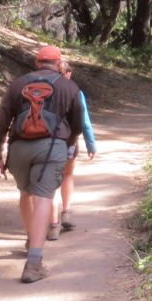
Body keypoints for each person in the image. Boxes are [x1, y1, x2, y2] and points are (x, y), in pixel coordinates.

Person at [0, 45, 84, 283]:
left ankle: (32, 237)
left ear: (37, 62)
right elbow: (77, 123)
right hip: (51, 148)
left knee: (25, 193)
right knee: (44, 198)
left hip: (18, 148)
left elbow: (1, 121)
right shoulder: (68, 86)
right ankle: (33, 263)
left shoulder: (18, 85)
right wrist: (69, 143)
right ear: (59, 63)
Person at [48, 60, 96, 239]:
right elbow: (84, 120)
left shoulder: (43, 89)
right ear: (68, 74)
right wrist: (91, 143)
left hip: (45, 141)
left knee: (50, 182)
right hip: (68, 141)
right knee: (67, 175)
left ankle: (53, 226)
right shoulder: (75, 91)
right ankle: (66, 212)